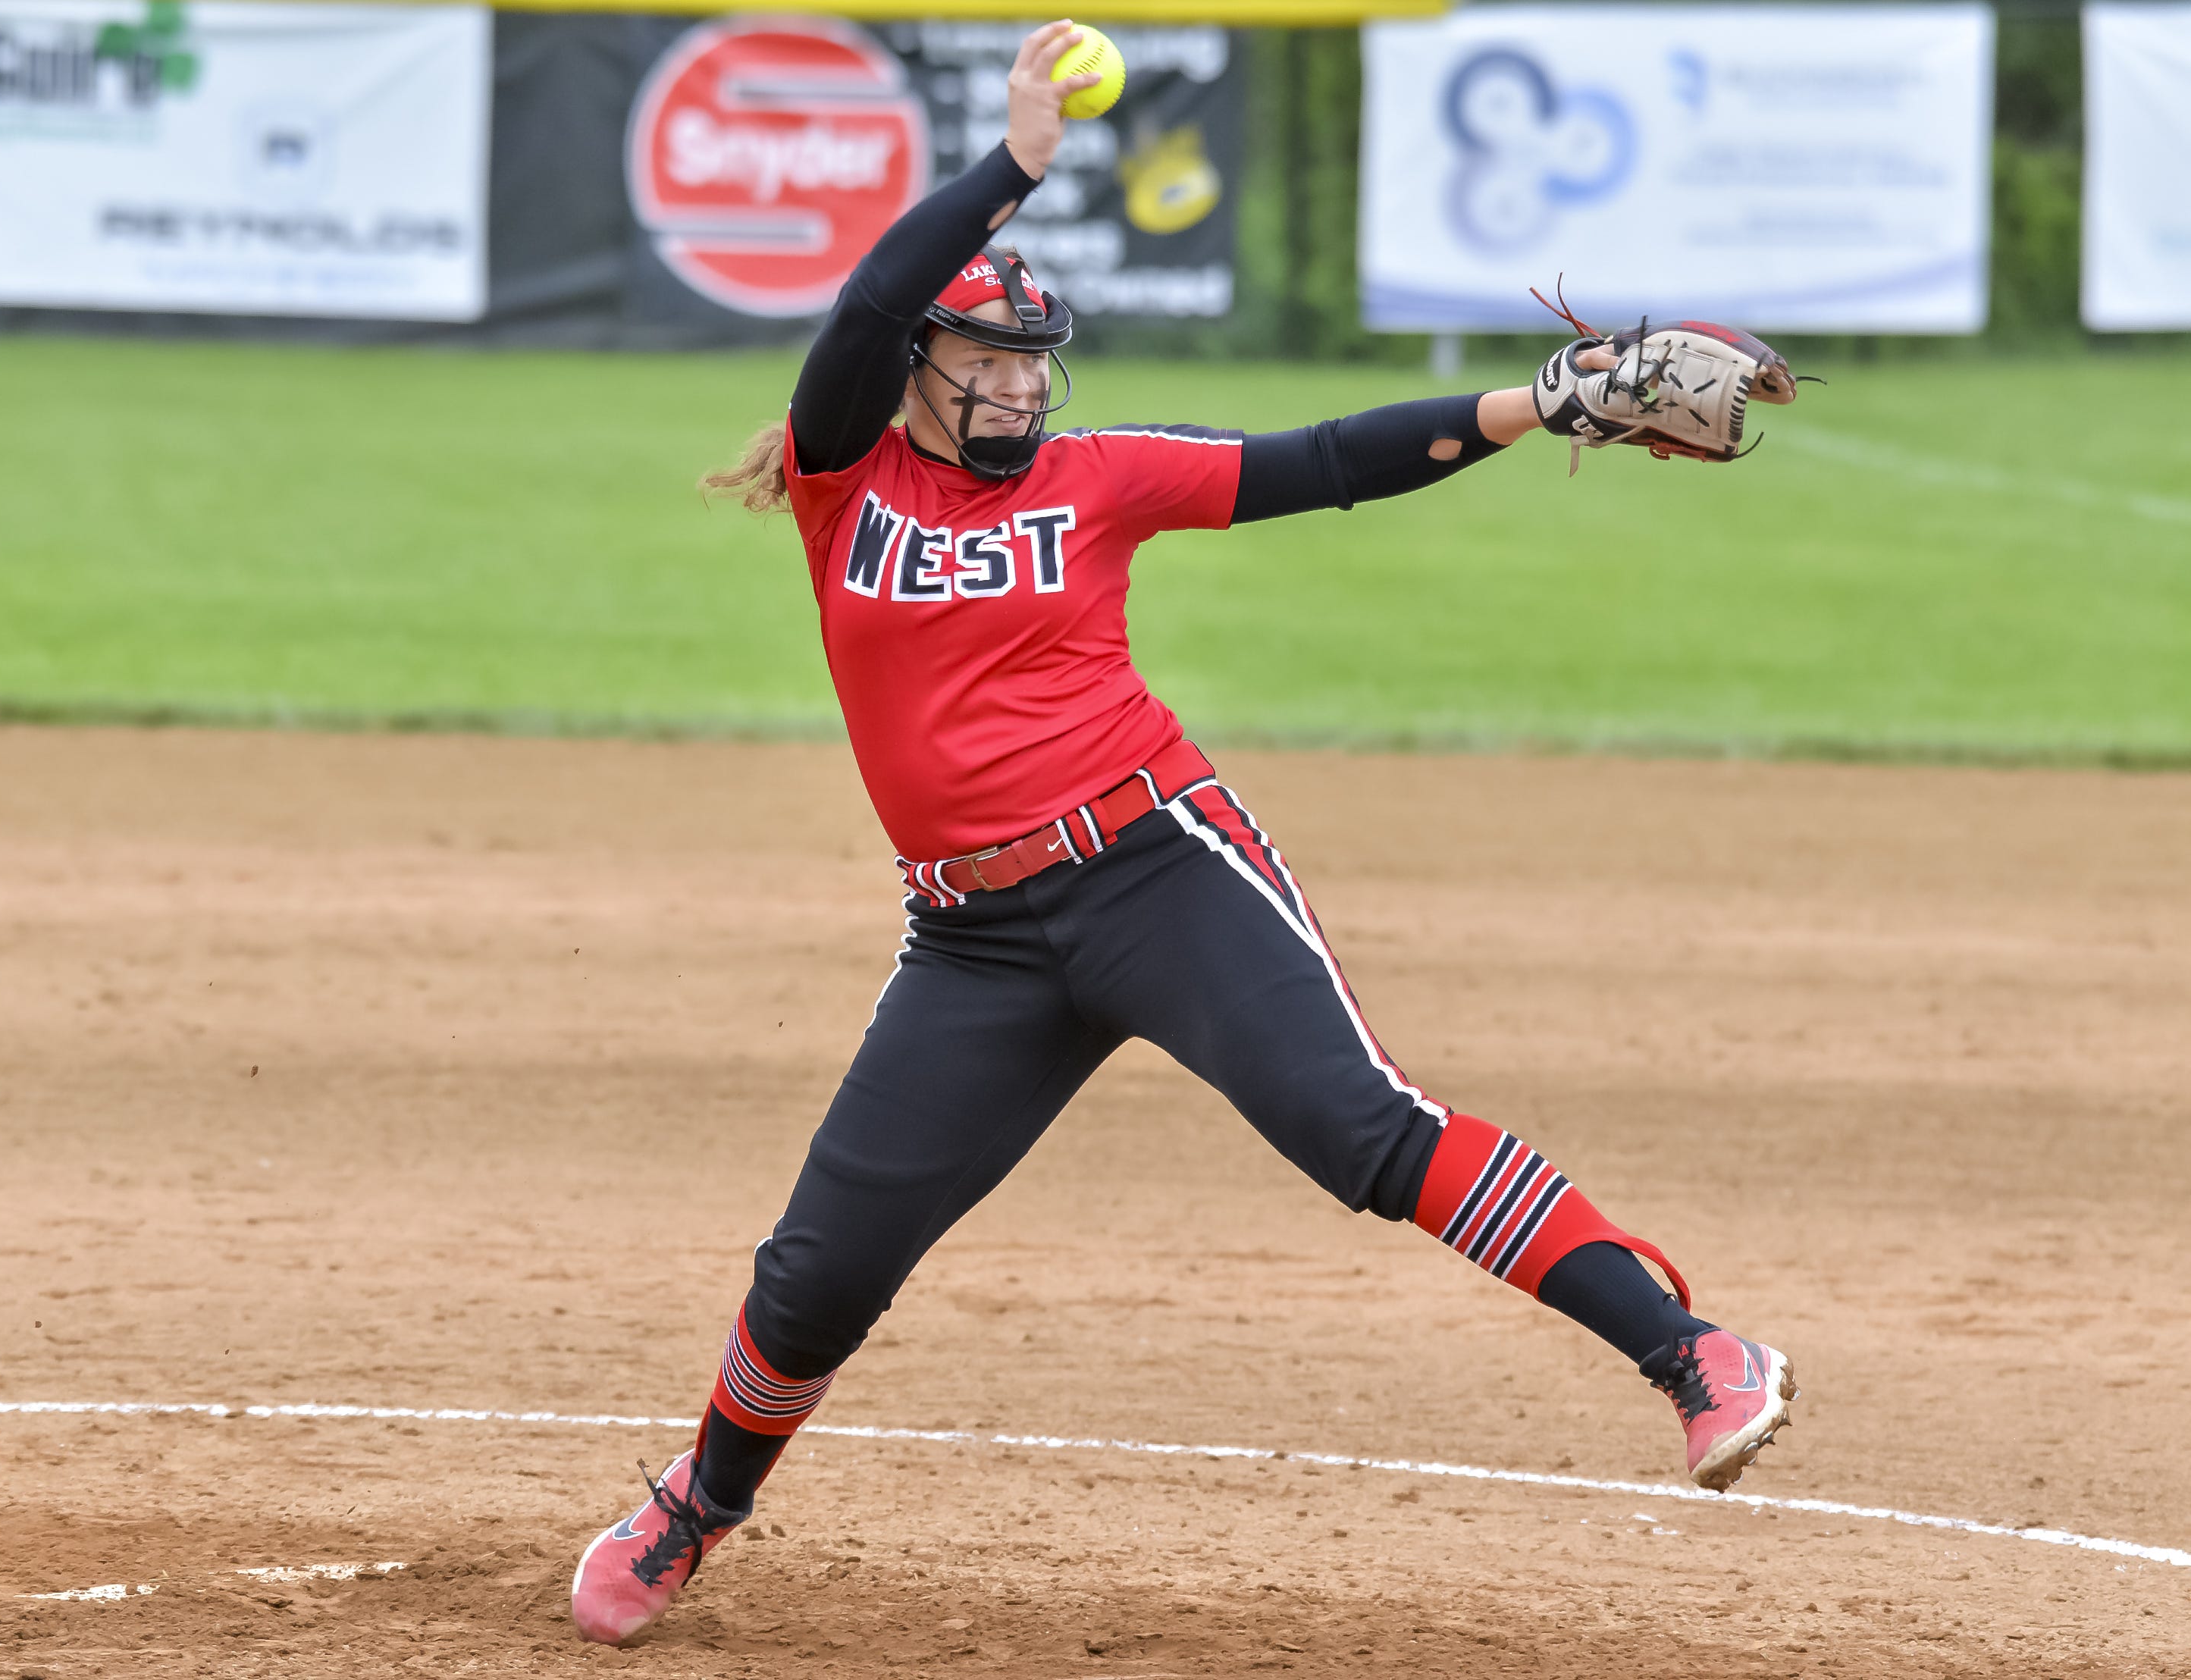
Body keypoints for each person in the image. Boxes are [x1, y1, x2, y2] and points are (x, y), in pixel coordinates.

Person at [570, 20, 1797, 1647]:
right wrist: (1015, 160)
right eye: (983, 363)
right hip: (977, 939)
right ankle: (693, 1508)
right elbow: (867, 305)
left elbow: (1330, 463)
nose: (1013, 385)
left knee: (1359, 1129)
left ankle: (1693, 1351)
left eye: (1030, 365)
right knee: (821, 1266)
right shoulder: (842, 485)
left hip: (1156, 866)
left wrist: (1540, 398)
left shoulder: (1096, 478)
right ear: (917, 375)